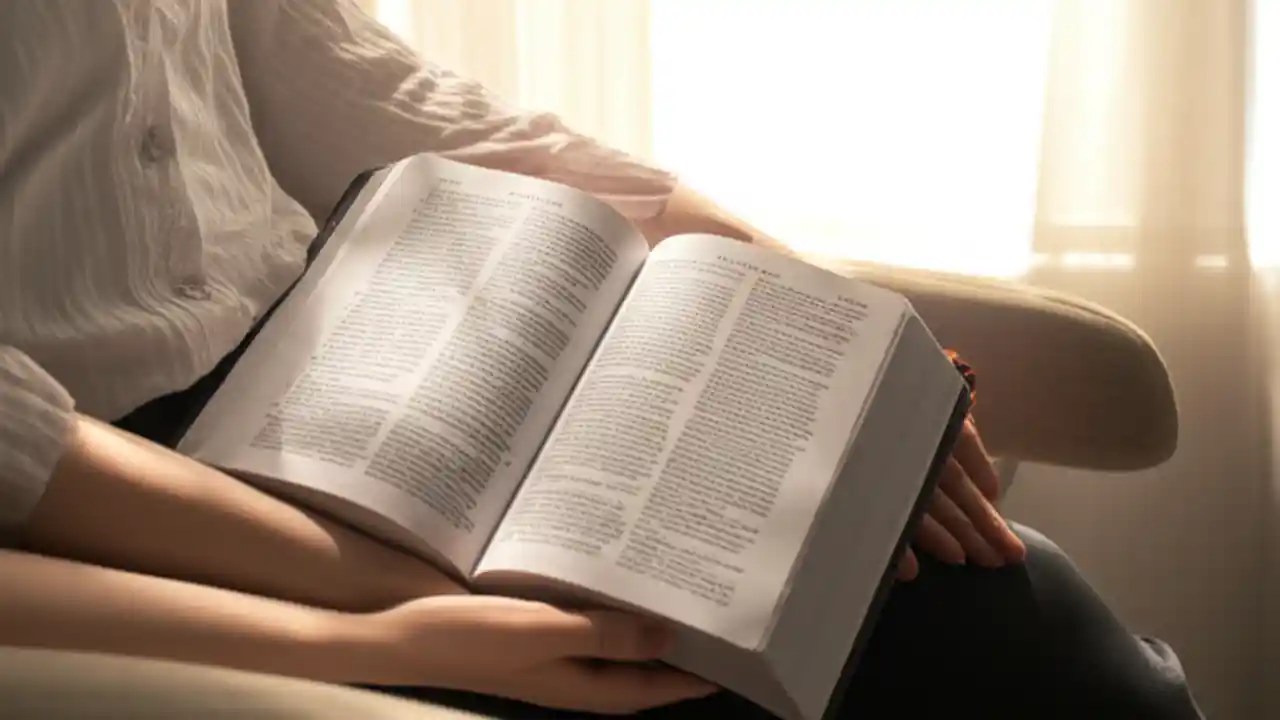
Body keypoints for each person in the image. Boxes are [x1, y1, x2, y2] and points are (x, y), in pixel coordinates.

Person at [0, 2, 1202, 718]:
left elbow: (353, 90)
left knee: (1005, 614)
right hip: (105, 493)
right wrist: (385, 607)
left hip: (347, 362)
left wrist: (834, 330)